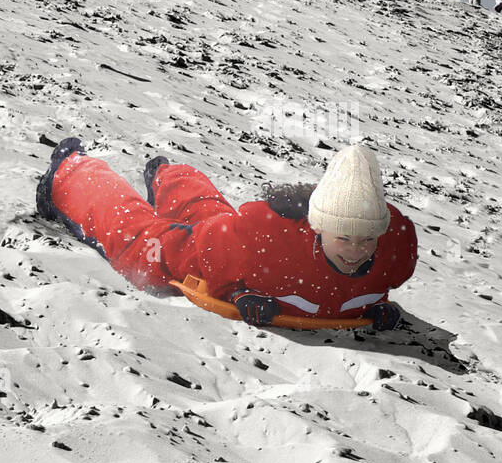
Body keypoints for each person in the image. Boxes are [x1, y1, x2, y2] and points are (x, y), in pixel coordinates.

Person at [35, 140, 417, 329]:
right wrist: (238, 293)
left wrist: (375, 308)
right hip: (204, 256)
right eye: (343, 238)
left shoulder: (395, 251)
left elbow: (368, 284)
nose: (355, 251)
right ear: (319, 229)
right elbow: (218, 252)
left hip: (235, 239)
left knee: (213, 217)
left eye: (366, 240)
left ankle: (167, 173)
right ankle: (69, 172)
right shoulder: (267, 243)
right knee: (139, 242)